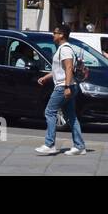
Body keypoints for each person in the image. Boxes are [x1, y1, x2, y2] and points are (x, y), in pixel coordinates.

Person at [35, 24, 88, 157]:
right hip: (67, 85)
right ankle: (79, 146)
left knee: (49, 111)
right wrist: (46, 77)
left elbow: (69, 68)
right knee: (71, 116)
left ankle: (49, 144)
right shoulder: (63, 49)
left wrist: (67, 87)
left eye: (55, 32)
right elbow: (61, 70)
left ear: (62, 35)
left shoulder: (65, 49)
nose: (53, 35)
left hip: (63, 86)